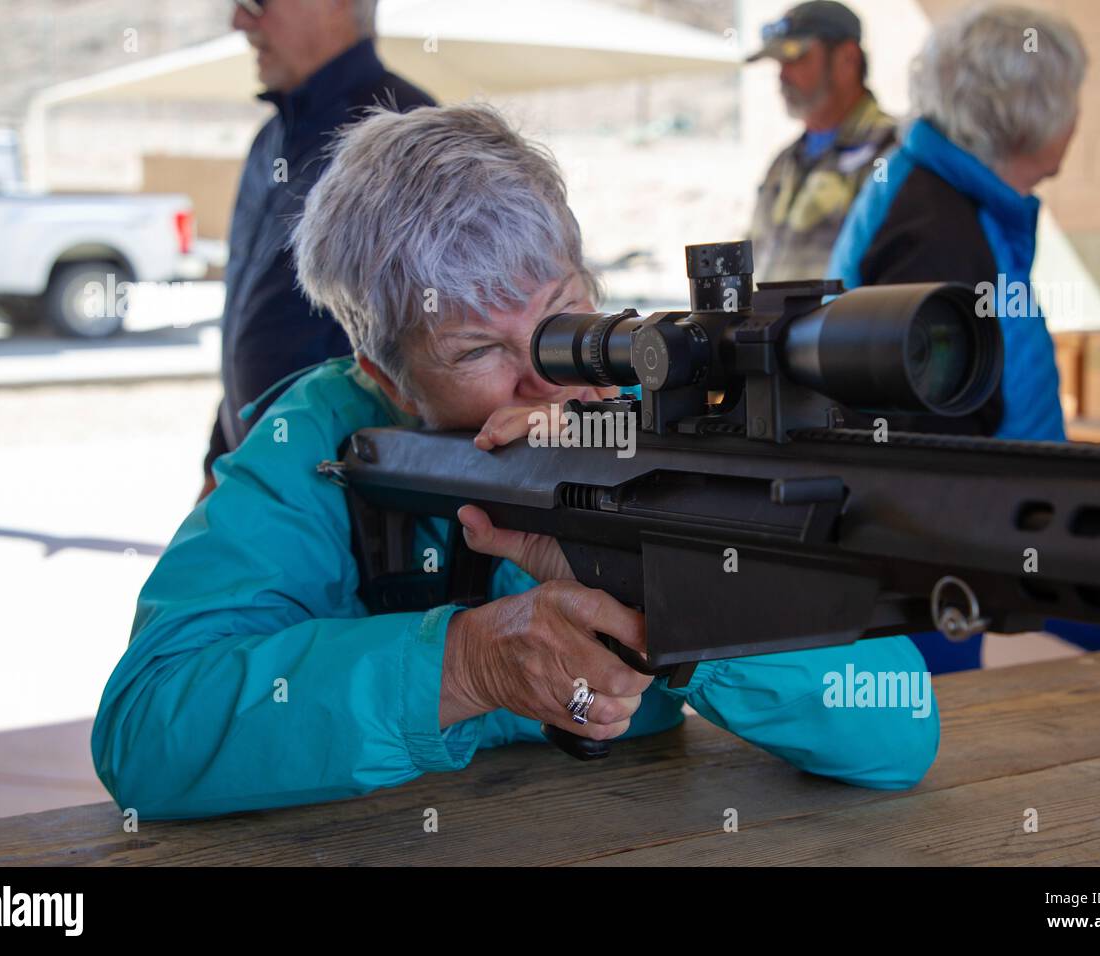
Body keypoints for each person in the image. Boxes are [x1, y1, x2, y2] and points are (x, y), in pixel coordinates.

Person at [91, 104, 940, 820]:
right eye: (476, 351)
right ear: (384, 376)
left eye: (566, 317)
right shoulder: (317, 444)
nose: (546, 379)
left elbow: (898, 728)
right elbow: (149, 729)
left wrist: (694, 611)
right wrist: (465, 663)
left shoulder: (655, 418)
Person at [830, 4, 1100, 671]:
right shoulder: (934, 231)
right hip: (966, 568)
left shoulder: (955, 198)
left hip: (1009, 532)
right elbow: (922, 458)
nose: (1077, 115)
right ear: (1029, 112)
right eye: (1072, 97)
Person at [200, 0, 435, 501]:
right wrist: (218, 460)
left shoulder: (407, 135)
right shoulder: (269, 139)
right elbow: (251, 319)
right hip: (262, 483)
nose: (239, 21)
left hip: (358, 506)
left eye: (255, 3)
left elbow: (447, 338)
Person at [745, 1, 898, 284]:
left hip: (850, 328)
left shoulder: (892, 153)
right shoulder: (784, 162)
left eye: (796, 59)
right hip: (775, 328)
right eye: (779, 63)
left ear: (847, 59)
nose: (782, 75)